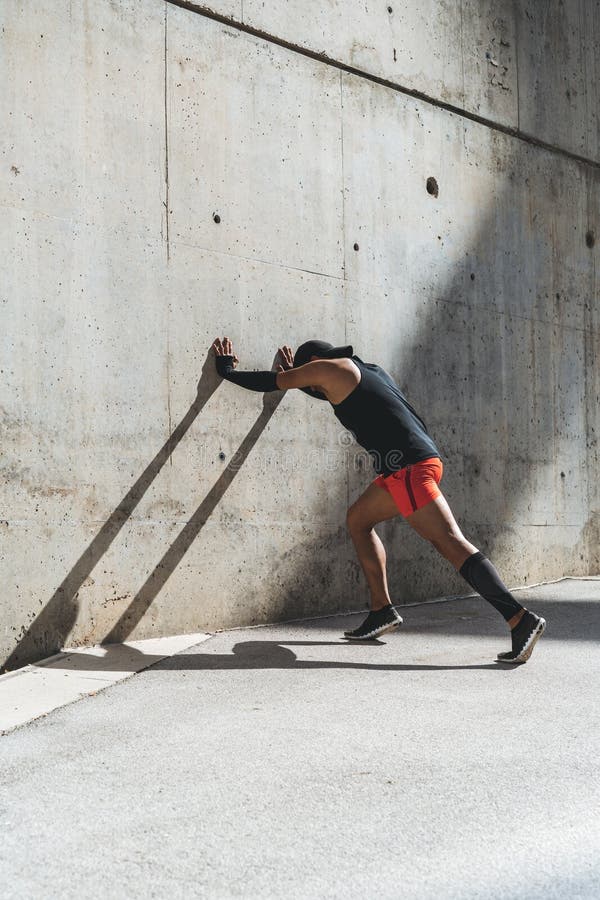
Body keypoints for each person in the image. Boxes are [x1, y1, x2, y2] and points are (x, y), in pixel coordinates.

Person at [212, 336, 546, 664]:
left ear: (313, 364)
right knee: (358, 519)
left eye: (308, 378)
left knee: (449, 542)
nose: (312, 387)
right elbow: (321, 390)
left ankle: (519, 619)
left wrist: (227, 371)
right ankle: (381, 609)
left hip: (408, 469)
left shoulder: (329, 368)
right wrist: (297, 379)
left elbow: (270, 382)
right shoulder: (365, 371)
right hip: (407, 466)